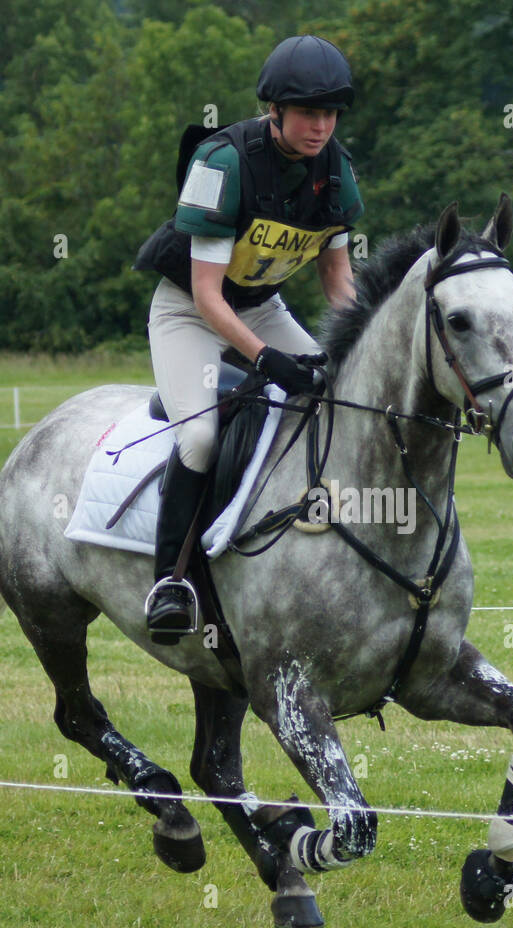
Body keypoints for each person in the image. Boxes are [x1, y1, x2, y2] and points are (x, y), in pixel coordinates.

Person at [134, 33, 364, 641]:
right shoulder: (223, 161)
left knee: (342, 398)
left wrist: (353, 344)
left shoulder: (335, 170)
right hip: (188, 310)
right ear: (275, 111)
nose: (321, 126)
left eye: (330, 113)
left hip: (261, 306)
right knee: (203, 436)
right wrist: (267, 360)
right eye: (309, 113)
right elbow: (208, 294)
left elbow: (339, 280)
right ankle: (170, 582)